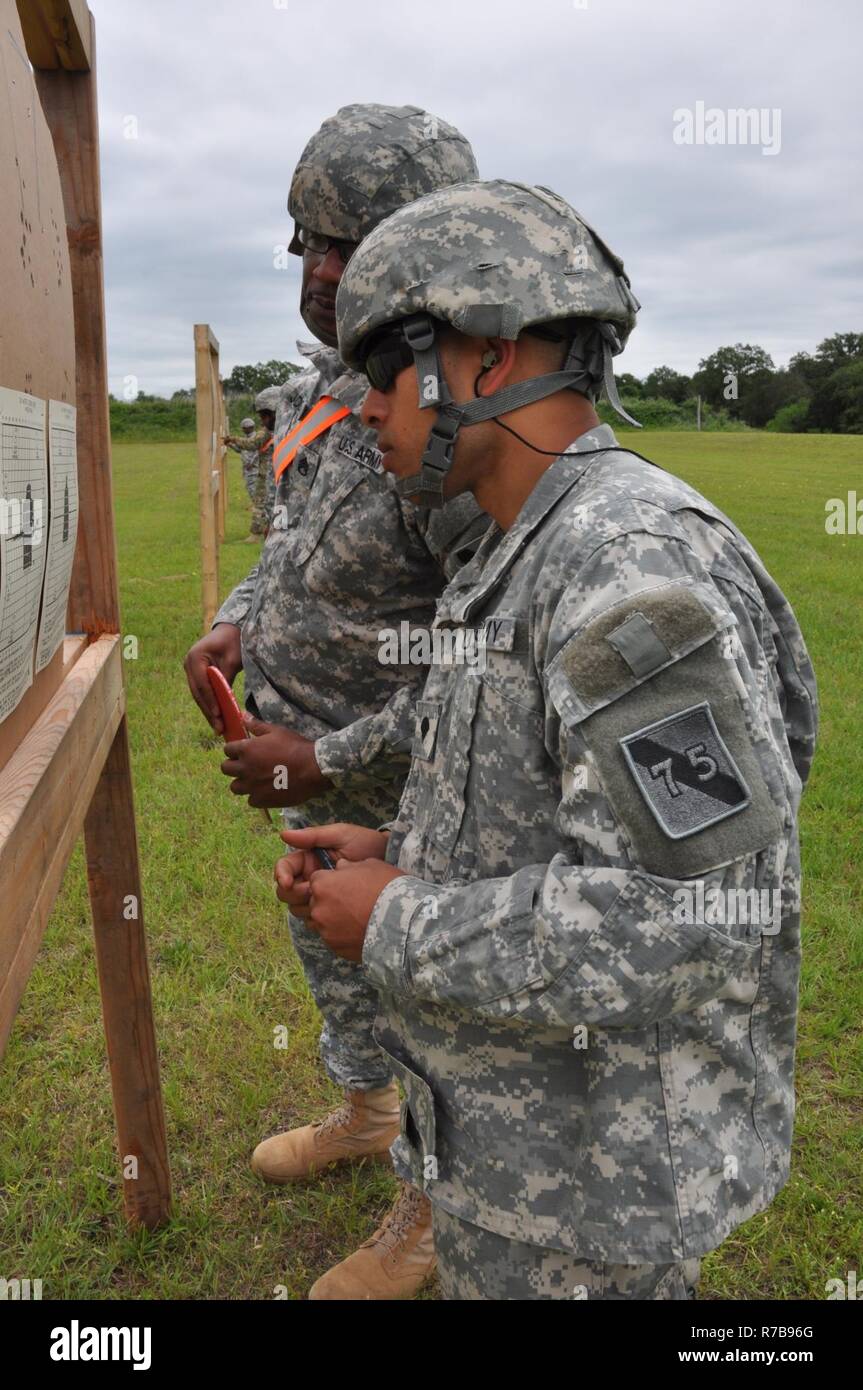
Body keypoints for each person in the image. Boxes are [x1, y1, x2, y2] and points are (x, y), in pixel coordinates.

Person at [275, 179, 819, 1300]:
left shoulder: (626, 565)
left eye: (383, 369)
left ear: (484, 357)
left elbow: (691, 916)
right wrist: (400, 845)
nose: (364, 406)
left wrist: (395, 916)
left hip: (592, 1200)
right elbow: (552, 806)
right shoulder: (519, 548)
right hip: (525, 1158)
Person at [184, 105, 486, 1300]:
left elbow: (493, 661)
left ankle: (429, 1203)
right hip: (298, 757)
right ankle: (363, 1112)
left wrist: (325, 757)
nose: (319, 271)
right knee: (331, 948)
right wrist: (239, 618)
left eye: (348, 244)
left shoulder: (463, 425)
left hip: (421, 783)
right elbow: (295, 538)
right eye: (305, 240)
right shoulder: (332, 388)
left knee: (430, 993)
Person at [224, 391, 278, 540]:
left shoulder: (267, 432)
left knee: (261, 504)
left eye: (264, 417)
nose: (262, 421)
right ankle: (268, 532)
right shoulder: (283, 428)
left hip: (267, 474)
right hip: (272, 473)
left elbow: (252, 444)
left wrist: (233, 439)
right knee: (269, 503)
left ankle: (258, 534)